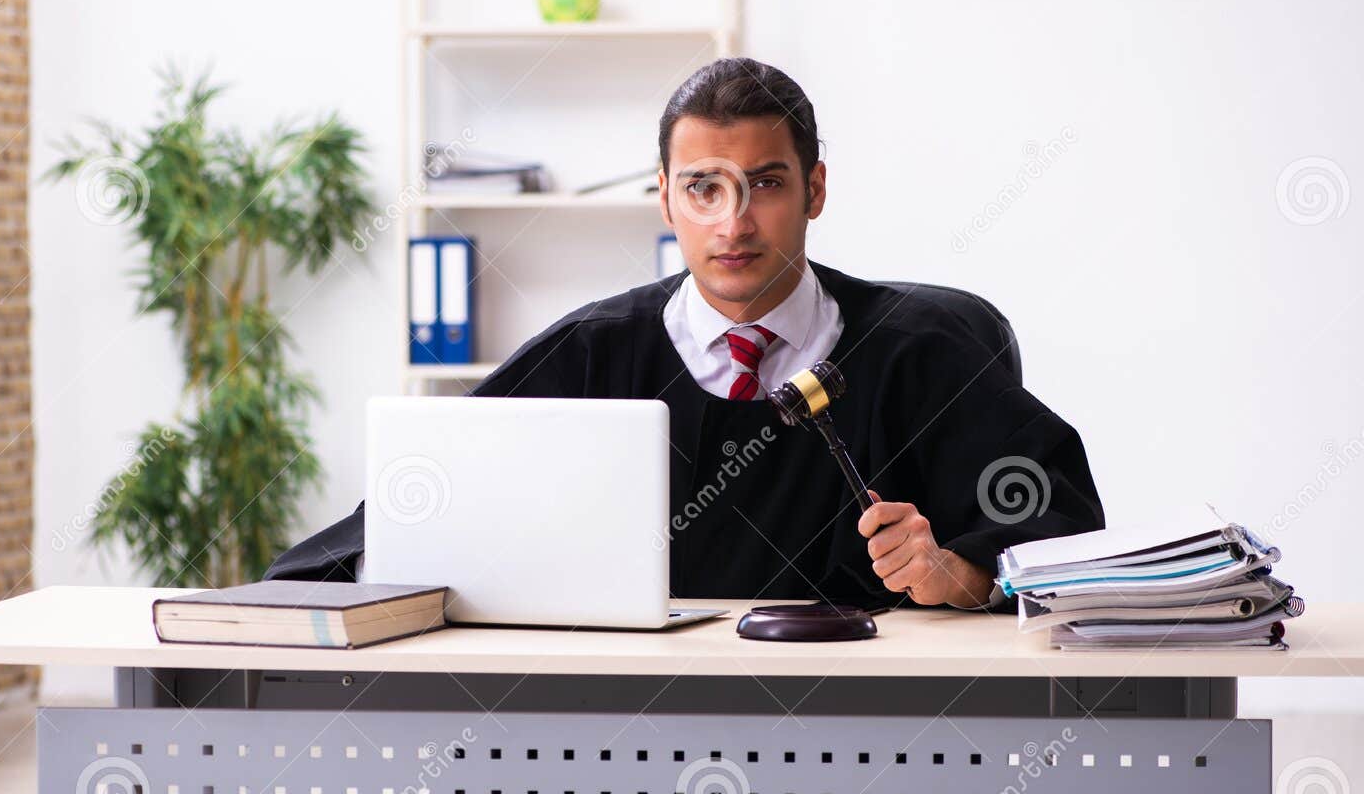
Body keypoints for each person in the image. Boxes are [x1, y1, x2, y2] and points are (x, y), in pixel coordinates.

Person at [265, 57, 1103, 611]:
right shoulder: (588, 354)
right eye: (703, 187)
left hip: (872, 732)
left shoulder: (923, 352)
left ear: (814, 190)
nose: (733, 221)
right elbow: (402, 522)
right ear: (666, 199)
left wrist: (966, 573)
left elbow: (1064, 528)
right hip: (613, 733)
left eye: (765, 184)